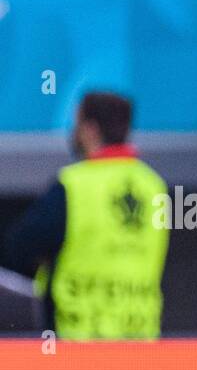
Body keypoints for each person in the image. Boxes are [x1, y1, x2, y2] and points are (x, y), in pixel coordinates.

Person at [0, 91, 169, 339]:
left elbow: (19, 246)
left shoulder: (74, 185)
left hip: (77, 343)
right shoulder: (154, 187)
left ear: (90, 130)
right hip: (139, 342)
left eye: (76, 123)